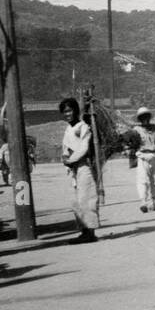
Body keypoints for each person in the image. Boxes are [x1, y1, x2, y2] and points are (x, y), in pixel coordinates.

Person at [59, 97, 99, 243]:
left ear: (75, 110)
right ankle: (83, 231)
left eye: (69, 110)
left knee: (86, 199)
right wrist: (65, 158)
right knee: (76, 202)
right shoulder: (68, 128)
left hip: (83, 166)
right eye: (64, 112)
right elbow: (65, 148)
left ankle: (90, 232)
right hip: (73, 170)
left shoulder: (83, 127)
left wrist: (71, 159)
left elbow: (84, 147)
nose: (67, 114)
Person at [131, 107, 155, 212]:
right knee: (143, 180)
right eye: (143, 117)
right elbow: (131, 143)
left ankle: (152, 202)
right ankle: (143, 202)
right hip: (142, 156)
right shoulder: (136, 130)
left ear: (149, 118)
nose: (145, 119)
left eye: (147, 117)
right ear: (140, 119)